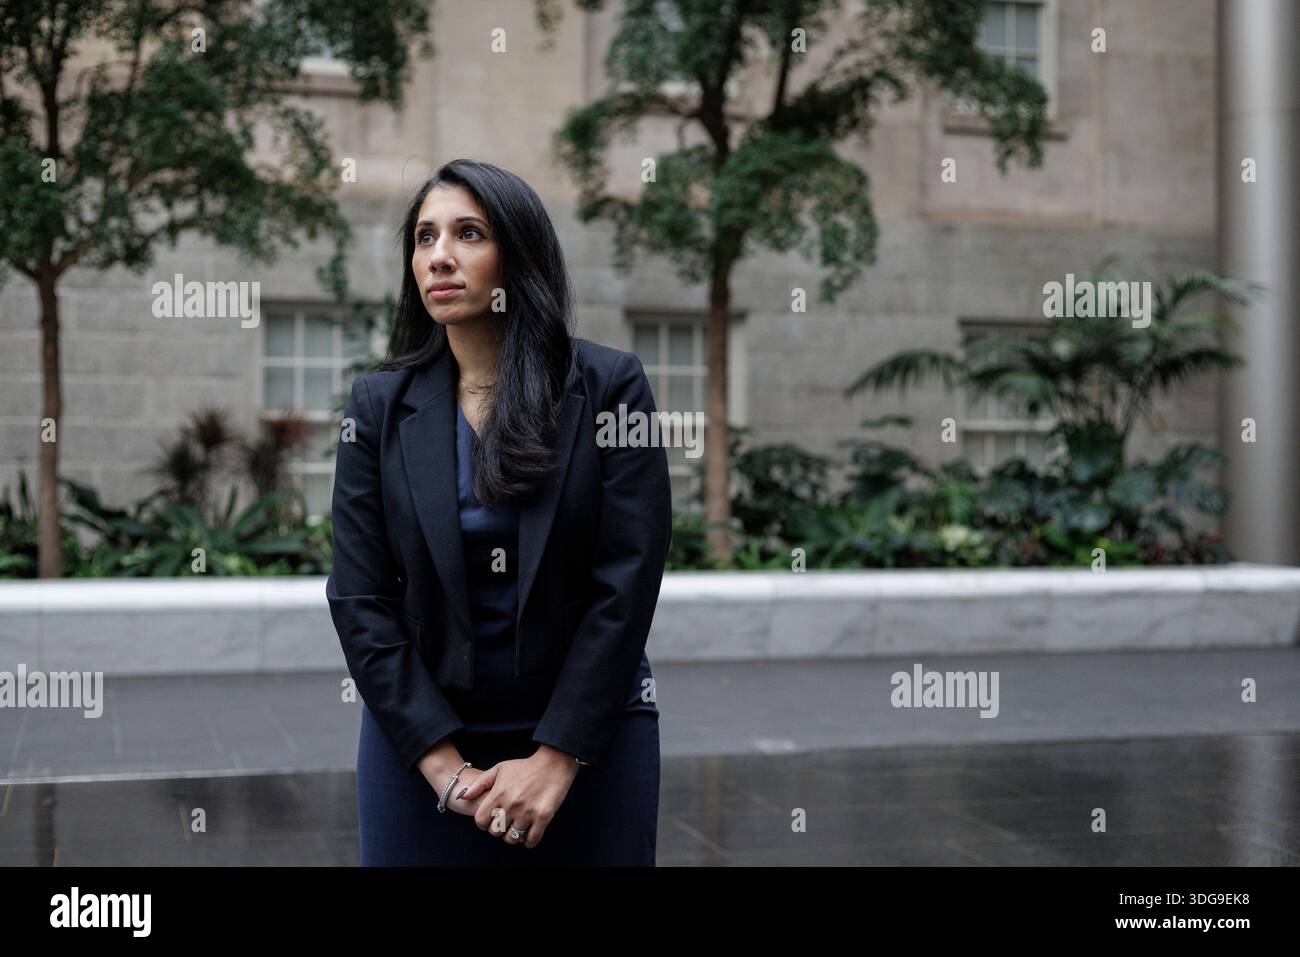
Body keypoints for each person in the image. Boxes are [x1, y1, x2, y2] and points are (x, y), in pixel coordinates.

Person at [326, 158, 672, 866]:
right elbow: (360, 597)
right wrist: (441, 765)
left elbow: (627, 582)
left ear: (518, 254)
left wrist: (557, 755)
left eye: (469, 233)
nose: (439, 255)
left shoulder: (609, 388)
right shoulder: (377, 406)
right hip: (422, 730)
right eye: (424, 238)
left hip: (585, 725)